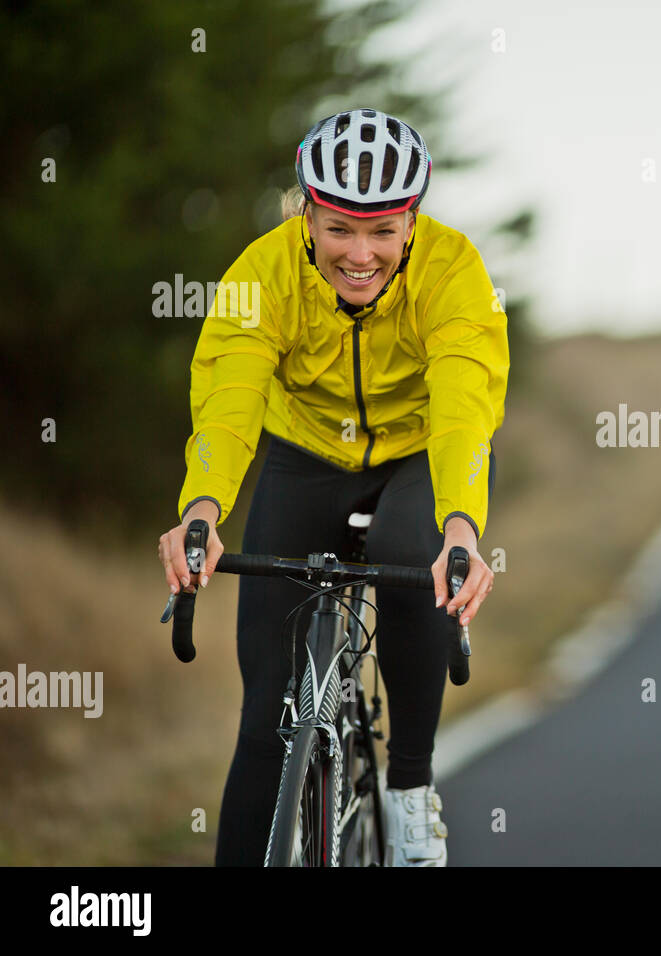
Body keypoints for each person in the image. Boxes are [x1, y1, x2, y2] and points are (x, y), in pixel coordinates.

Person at [157, 108, 508, 866]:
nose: (360, 253)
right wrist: (203, 510)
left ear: (412, 221)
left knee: (403, 550)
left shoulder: (454, 272)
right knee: (264, 721)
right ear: (306, 210)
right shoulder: (264, 272)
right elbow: (230, 399)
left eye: (383, 230)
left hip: (416, 457)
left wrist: (459, 532)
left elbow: (461, 408)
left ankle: (410, 794)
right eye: (340, 227)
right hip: (305, 454)